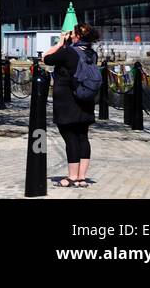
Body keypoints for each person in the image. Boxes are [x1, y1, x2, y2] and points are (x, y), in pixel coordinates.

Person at [43, 22, 101, 188]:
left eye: (73, 33)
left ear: (77, 36)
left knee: (70, 138)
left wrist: (60, 43)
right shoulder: (92, 53)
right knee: (83, 137)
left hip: (67, 102)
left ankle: (72, 177)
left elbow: (46, 58)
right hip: (86, 100)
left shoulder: (68, 52)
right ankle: (82, 177)